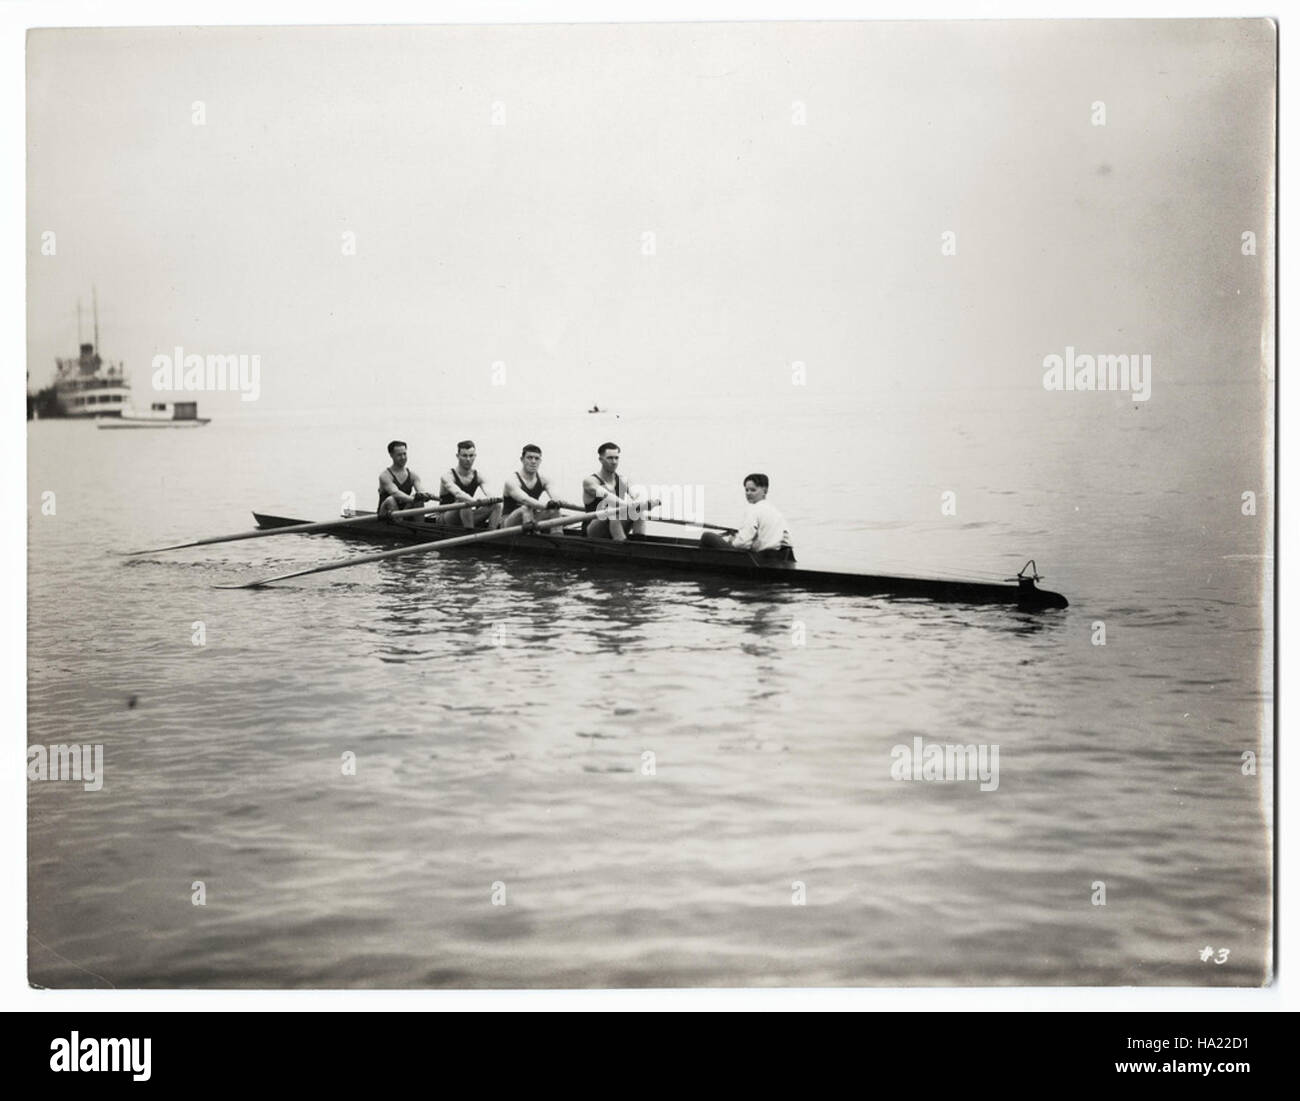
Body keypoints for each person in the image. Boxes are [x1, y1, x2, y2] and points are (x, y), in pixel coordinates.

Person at [701, 473, 795, 561]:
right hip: (778, 555)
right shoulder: (775, 511)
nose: (748, 493)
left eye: (753, 490)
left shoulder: (753, 510)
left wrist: (732, 541)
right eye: (746, 490)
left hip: (757, 558)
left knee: (707, 536)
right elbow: (787, 540)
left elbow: (742, 544)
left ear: (765, 491)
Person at [582, 442, 657, 542]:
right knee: (611, 509)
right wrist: (634, 506)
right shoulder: (590, 481)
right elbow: (610, 498)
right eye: (610, 458)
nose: (614, 462)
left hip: (615, 525)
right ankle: (623, 548)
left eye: (616, 458)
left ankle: (639, 545)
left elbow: (637, 495)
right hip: (593, 530)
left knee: (639, 512)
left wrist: (642, 503)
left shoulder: (623, 480)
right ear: (601, 459)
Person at [501, 445, 579, 527]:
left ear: (540, 461)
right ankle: (529, 536)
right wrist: (547, 506)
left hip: (531, 518)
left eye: (536, 458)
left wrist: (556, 503)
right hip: (508, 523)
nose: (533, 461)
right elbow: (526, 500)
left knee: (554, 511)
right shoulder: (512, 481)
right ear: (522, 460)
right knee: (526, 508)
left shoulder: (544, 479)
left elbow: (556, 498)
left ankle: (557, 535)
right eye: (529, 458)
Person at [438, 440, 503, 530]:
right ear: (458, 456)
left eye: (471, 456)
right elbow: (458, 493)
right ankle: (470, 537)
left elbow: (489, 493)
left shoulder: (479, 476)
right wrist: (475, 501)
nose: (468, 459)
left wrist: (491, 499)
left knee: (497, 505)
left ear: (475, 456)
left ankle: (490, 535)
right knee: (464, 501)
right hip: (446, 518)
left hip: (466, 514)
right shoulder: (447, 476)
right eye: (464, 456)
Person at [377, 440, 434, 521]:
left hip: (402, 512)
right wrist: (414, 499)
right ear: (391, 455)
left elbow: (421, 491)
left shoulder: (413, 475)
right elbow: (396, 493)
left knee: (418, 498)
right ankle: (400, 528)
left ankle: (420, 529)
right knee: (391, 499)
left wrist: (425, 496)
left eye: (404, 454)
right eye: (399, 455)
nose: (403, 457)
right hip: (385, 513)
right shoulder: (385, 476)